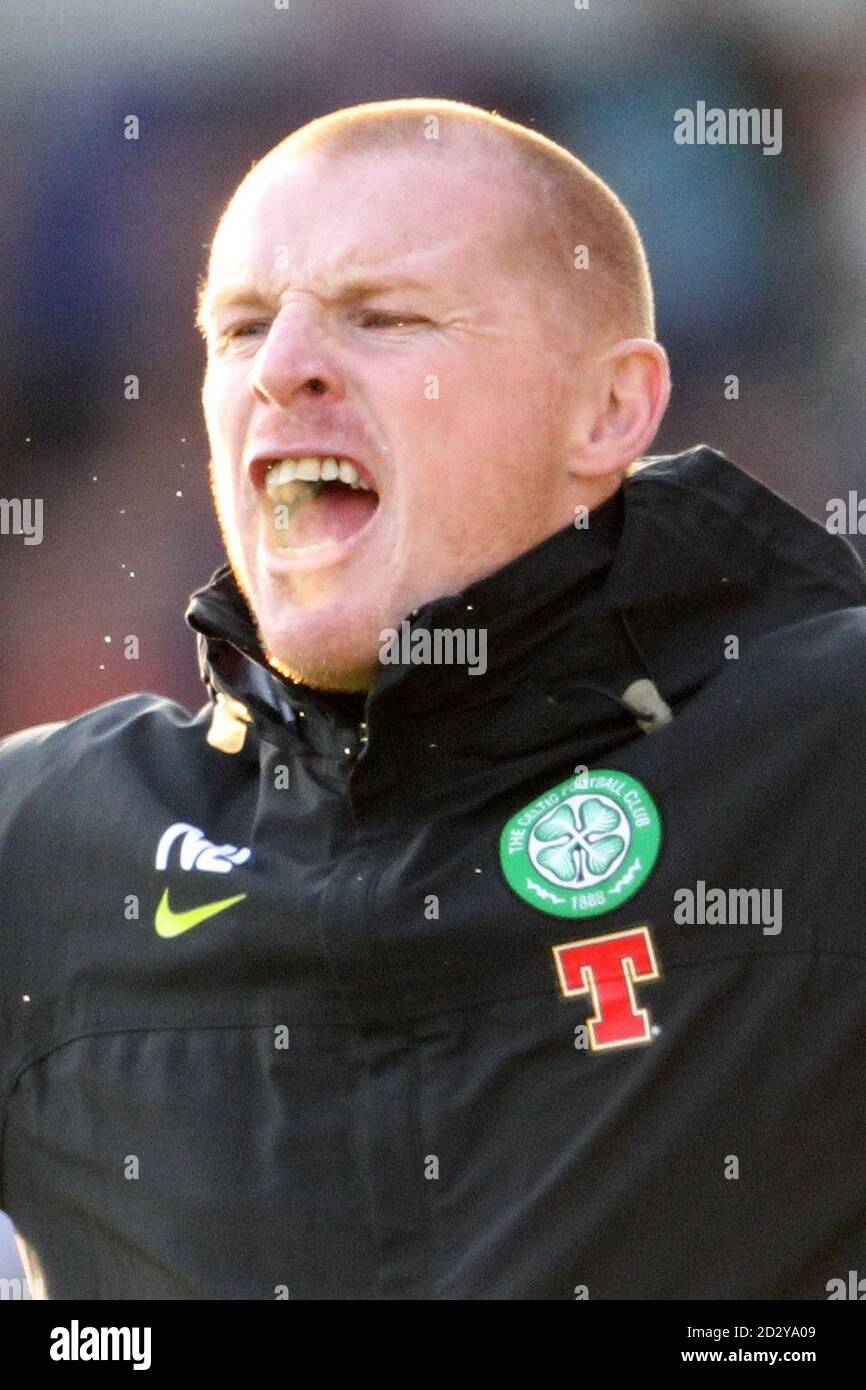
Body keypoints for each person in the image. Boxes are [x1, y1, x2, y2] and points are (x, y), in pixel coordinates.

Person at [2, 98, 865, 1301]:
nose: (282, 367)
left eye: (383, 316)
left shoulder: (828, 751)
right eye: (239, 327)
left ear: (608, 410)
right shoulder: (44, 841)